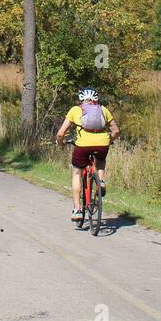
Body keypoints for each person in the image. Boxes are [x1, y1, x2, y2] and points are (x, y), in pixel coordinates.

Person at [54, 88, 119, 222]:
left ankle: (77, 210)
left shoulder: (75, 110)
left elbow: (61, 133)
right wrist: (109, 141)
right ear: (96, 99)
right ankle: (100, 180)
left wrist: (60, 143)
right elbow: (116, 131)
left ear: (81, 99)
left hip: (83, 145)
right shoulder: (103, 109)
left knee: (77, 172)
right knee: (100, 159)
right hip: (102, 144)